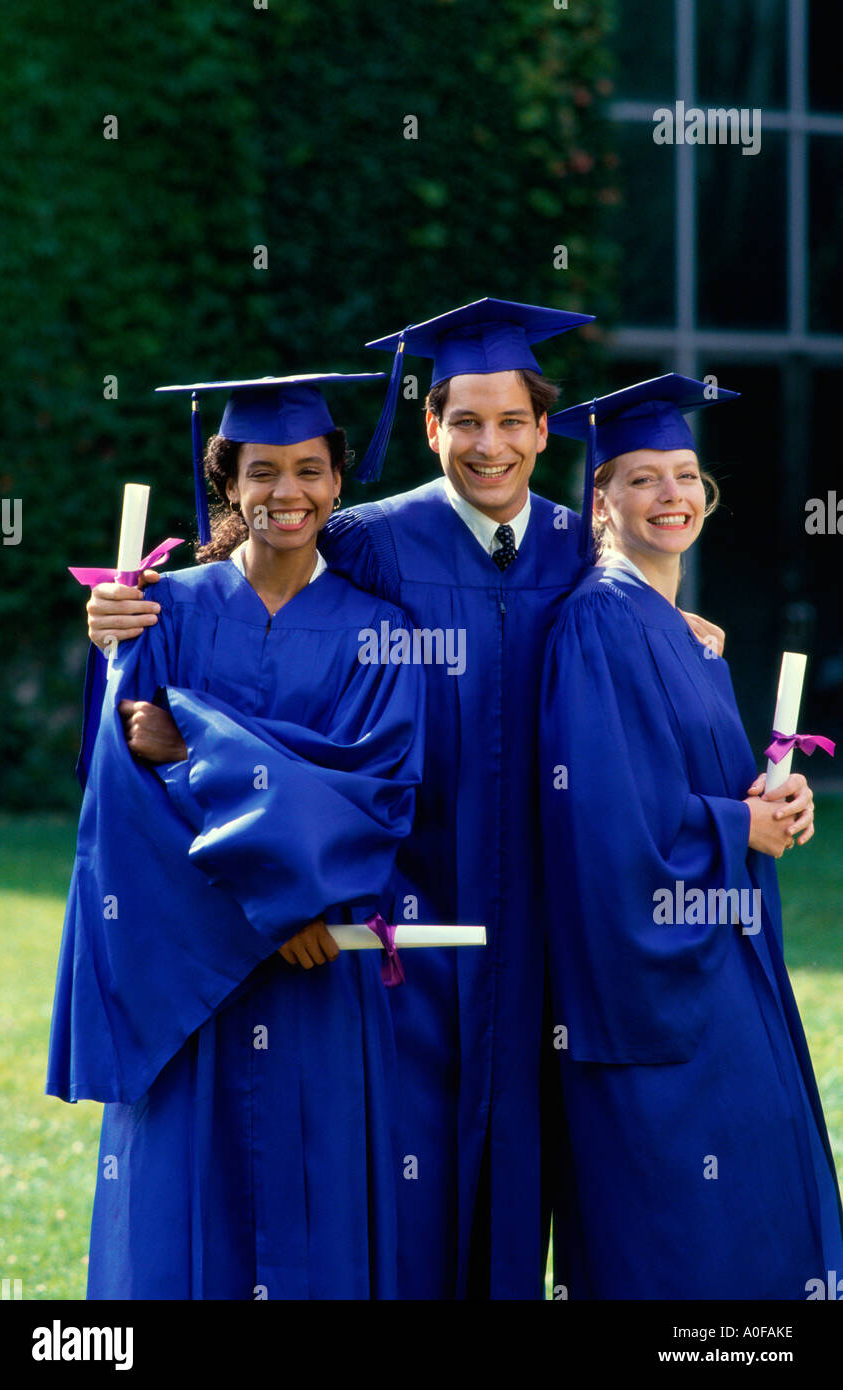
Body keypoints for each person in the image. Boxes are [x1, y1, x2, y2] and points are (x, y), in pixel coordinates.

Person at [81, 301, 723, 1299]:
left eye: (511, 420)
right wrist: (117, 614)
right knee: (393, 1172)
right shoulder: (372, 543)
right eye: (465, 420)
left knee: (526, 1164)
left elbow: (627, 664)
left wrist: (679, 630)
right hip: (397, 920)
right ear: (430, 428)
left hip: (537, 932)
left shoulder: (580, 555)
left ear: (542, 429)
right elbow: (253, 604)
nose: (490, 443)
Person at [47, 373, 425, 1300]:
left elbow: (377, 788)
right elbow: (120, 792)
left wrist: (193, 741)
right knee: (181, 1206)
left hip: (314, 964)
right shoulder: (158, 611)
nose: (285, 492)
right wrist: (274, 896)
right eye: (262, 472)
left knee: (315, 1188)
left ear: (340, 484)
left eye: (308, 470)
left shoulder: (384, 633)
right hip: (186, 967)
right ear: (228, 483)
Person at [540, 374, 843, 1299]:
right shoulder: (598, 620)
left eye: (685, 475)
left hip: (724, 953)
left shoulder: (680, 633)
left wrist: (776, 806)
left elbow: (699, 787)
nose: (669, 495)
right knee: (684, 1227)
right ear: (600, 501)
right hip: (655, 981)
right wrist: (735, 825)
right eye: (640, 478)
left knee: (750, 1202)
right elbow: (597, 814)